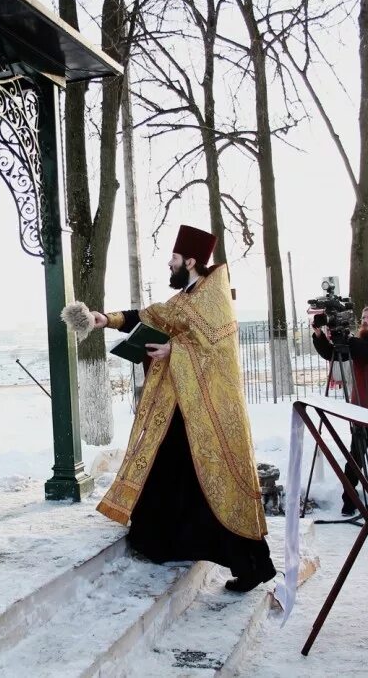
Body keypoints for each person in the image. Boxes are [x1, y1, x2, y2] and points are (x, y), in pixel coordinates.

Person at [90, 225, 275, 593]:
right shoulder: (186, 297)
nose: (169, 264)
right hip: (179, 405)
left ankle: (251, 565)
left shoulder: (213, 297)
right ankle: (163, 542)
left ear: (191, 261)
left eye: (174, 259)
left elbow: (218, 351)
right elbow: (152, 315)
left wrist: (175, 351)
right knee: (171, 467)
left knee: (217, 479)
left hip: (209, 412)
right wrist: (105, 319)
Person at [312, 306, 368, 516]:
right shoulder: (358, 343)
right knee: (356, 457)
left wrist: (350, 339)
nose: (365, 321)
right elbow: (332, 354)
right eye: (363, 317)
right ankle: (349, 500)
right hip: (361, 407)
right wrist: (319, 334)